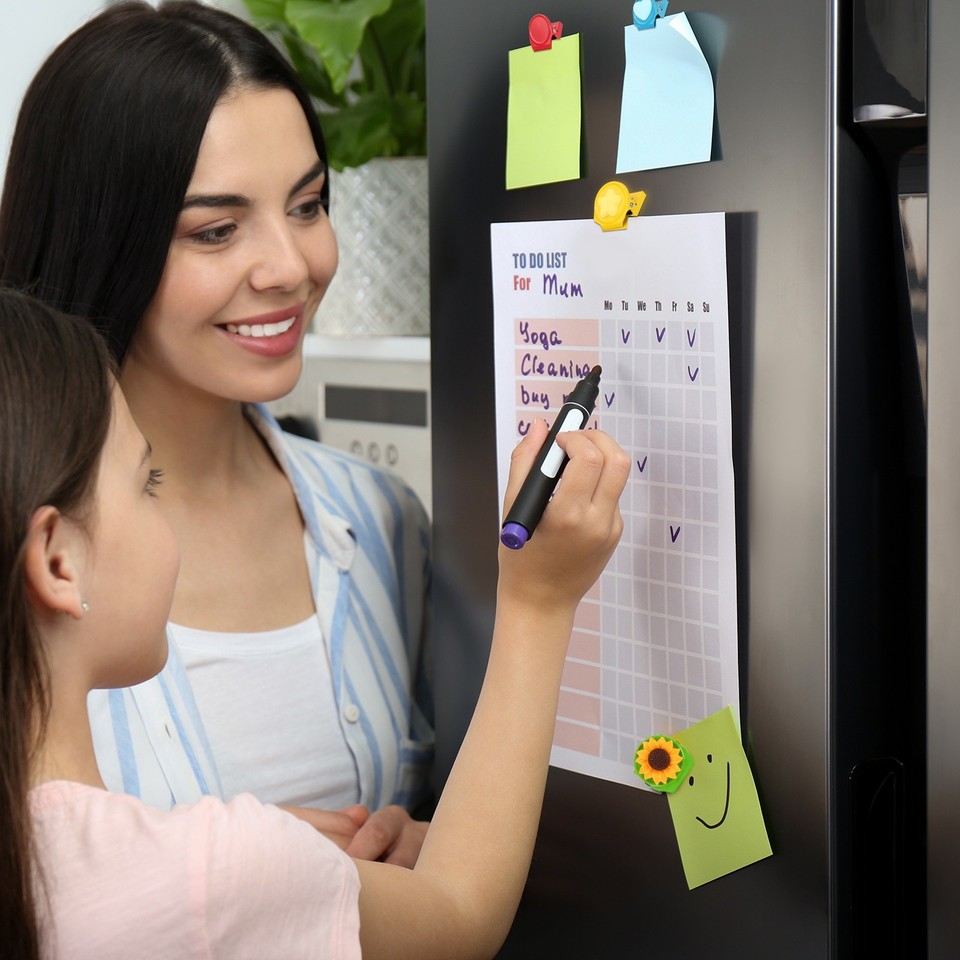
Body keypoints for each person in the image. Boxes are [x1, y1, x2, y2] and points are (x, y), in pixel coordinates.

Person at [0, 285, 628, 959]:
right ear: (59, 563)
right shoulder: (212, 871)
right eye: (146, 483)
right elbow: (458, 912)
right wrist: (539, 602)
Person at [0, 0, 434, 864]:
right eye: (217, 230)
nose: (292, 267)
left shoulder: (383, 520)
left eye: (308, 205)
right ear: (104, 242)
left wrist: (421, 856)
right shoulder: (23, 551)